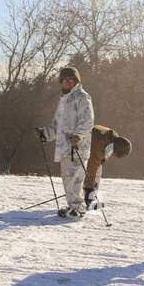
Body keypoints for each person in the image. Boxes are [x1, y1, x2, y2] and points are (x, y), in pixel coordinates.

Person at [36, 67, 94, 217]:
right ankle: (72, 206)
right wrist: (44, 134)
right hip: (65, 147)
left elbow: (88, 121)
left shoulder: (82, 97)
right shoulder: (64, 100)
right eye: (65, 80)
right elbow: (57, 125)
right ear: (61, 82)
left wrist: (78, 136)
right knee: (68, 179)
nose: (68, 83)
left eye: (71, 80)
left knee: (75, 179)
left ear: (76, 81)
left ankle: (78, 209)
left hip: (77, 148)